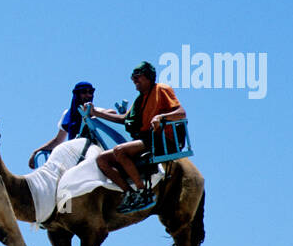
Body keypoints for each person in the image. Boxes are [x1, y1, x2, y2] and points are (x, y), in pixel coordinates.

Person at [95, 61, 186, 212]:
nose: (134, 80)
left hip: (161, 140)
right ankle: (130, 193)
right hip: (146, 140)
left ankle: (143, 192)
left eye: (138, 77)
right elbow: (124, 118)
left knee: (120, 151)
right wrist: (96, 114)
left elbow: (181, 113)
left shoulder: (161, 90)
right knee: (102, 160)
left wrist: (161, 118)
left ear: (148, 77)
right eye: (133, 78)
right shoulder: (140, 99)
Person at [28, 81, 125, 168]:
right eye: (84, 92)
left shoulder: (96, 111)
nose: (88, 95)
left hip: (93, 153)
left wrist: (94, 113)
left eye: (90, 92)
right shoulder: (68, 115)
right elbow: (58, 140)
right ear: (77, 94)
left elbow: (112, 113)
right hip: (75, 156)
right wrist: (36, 152)